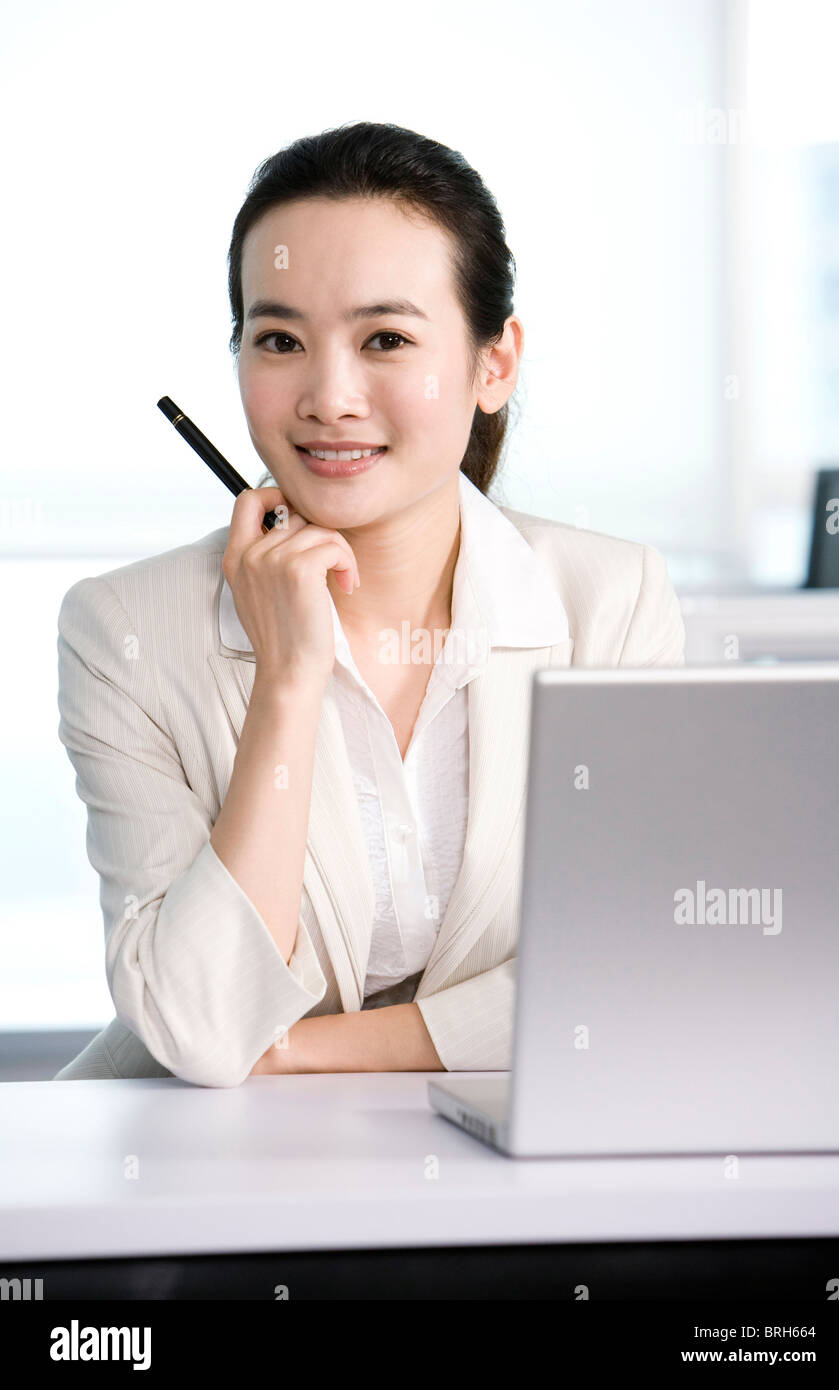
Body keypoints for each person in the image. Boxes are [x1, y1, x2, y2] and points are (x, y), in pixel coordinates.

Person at [54, 121, 685, 1087]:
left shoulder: (612, 602)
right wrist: (290, 680)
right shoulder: (123, 632)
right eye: (279, 340)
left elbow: (634, 965)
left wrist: (303, 1049)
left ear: (493, 364)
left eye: (385, 338)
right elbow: (201, 1028)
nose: (329, 397)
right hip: (193, 1178)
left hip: (504, 1164)